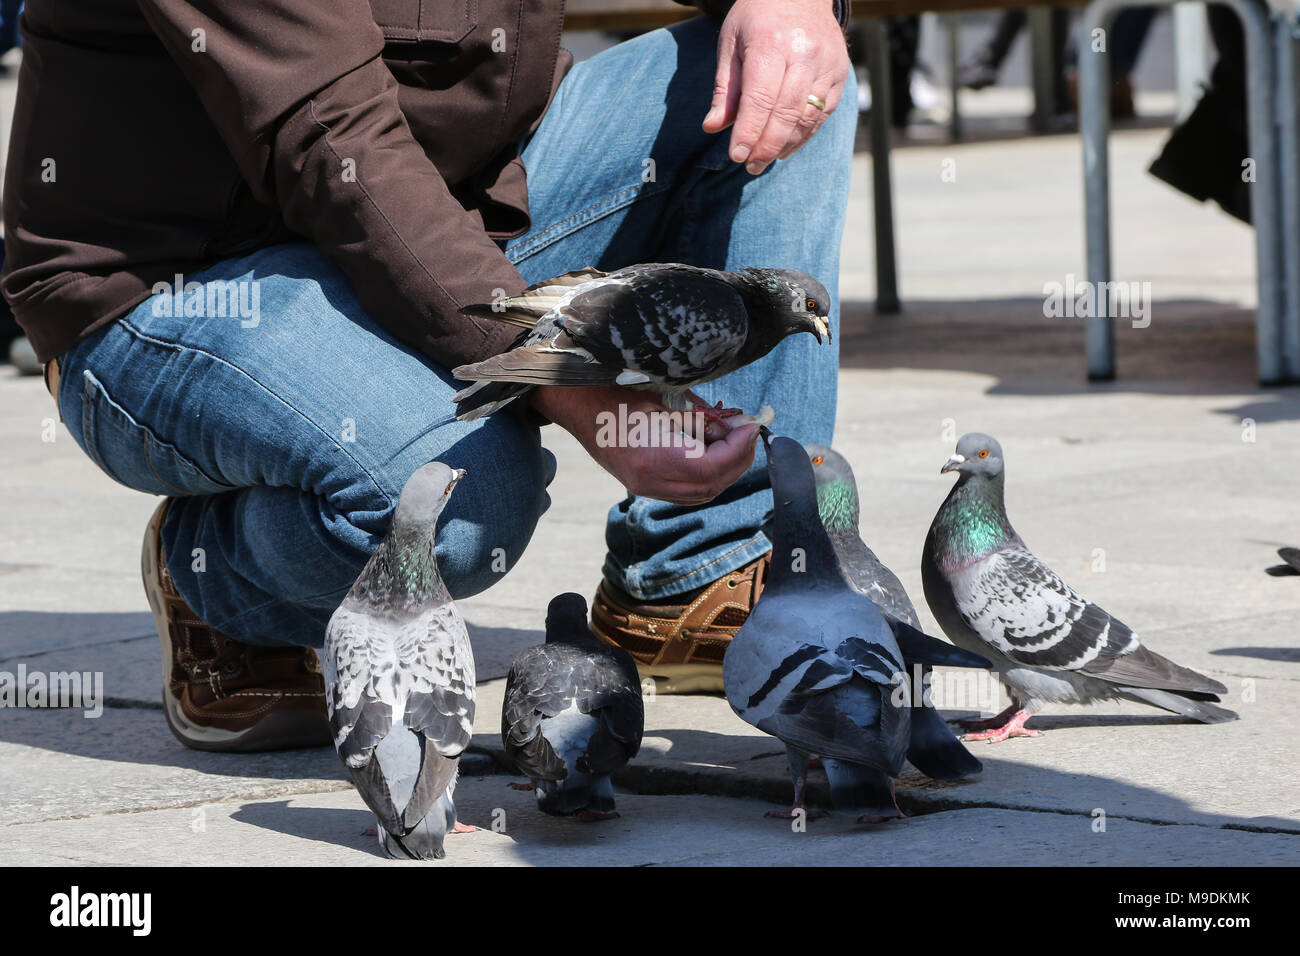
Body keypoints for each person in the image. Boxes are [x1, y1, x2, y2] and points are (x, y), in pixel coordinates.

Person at [1, 0, 856, 750]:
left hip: (451, 211)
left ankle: (702, 567)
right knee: (455, 503)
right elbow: (332, 145)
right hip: (183, 287)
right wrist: (575, 388)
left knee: (787, 63)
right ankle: (217, 577)